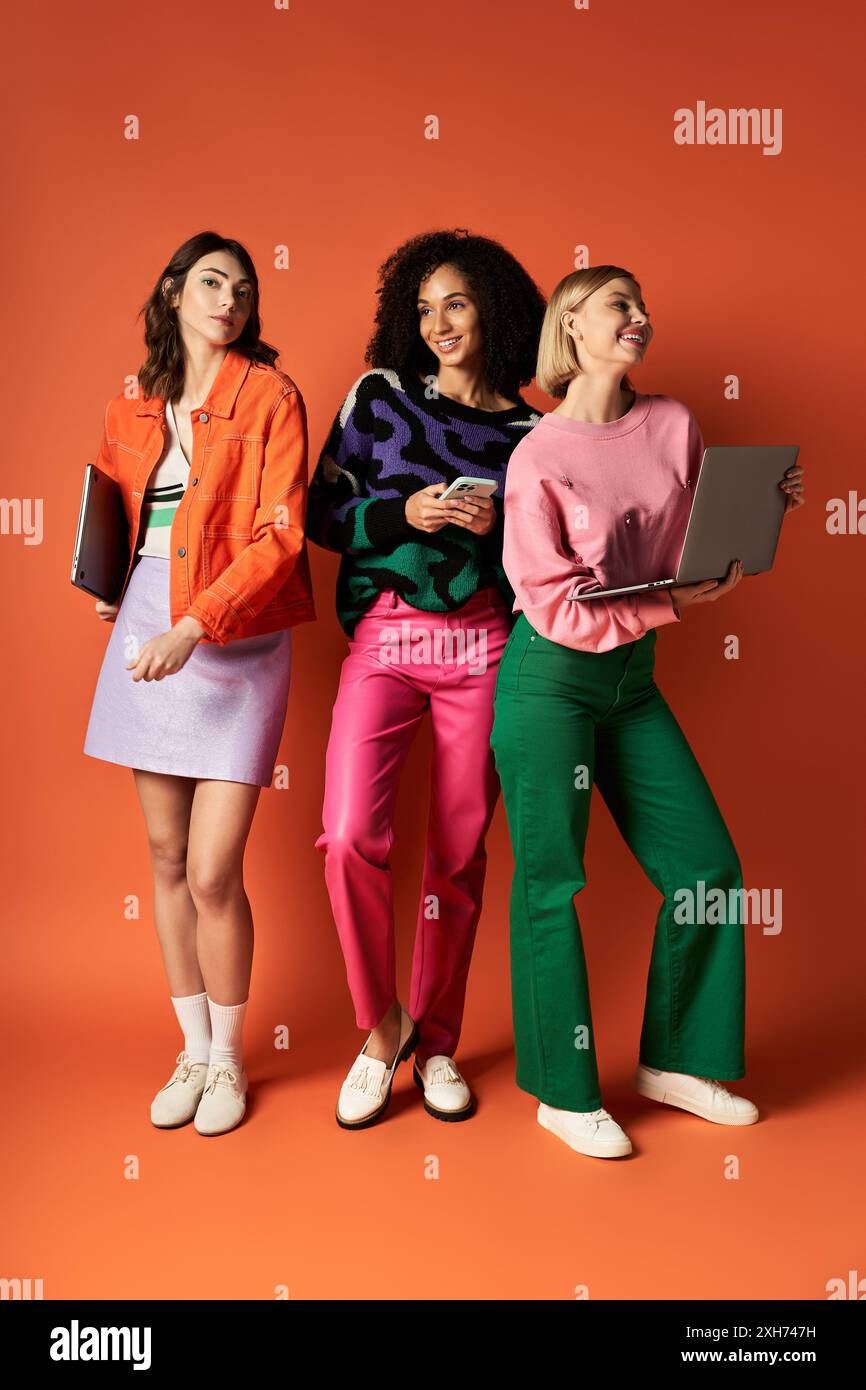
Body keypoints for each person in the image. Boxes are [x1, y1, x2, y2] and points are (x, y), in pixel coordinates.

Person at [489, 264, 805, 1159]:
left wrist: (755, 515)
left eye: (641, 304)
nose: (640, 317)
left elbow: (690, 543)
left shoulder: (673, 424)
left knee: (707, 867)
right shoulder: (539, 456)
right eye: (618, 305)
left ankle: (678, 1061)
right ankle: (564, 1092)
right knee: (553, 882)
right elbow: (551, 602)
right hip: (550, 680)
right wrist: (678, 603)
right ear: (574, 328)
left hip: (632, 683)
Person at [305, 228, 546, 1127]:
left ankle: (438, 1043)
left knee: (457, 855)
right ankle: (382, 1032)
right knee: (345, 837)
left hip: (483, 644)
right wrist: (400, 511)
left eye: (456, 302)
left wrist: (495, 533)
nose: (438, 323)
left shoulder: (532, 432)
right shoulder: (380, 398)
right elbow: (319, 513)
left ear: (495, 308)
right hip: (389, 637)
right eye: (423, 307)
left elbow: (547, 563)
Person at [83, 230, 315, 1137]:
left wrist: (195, 624)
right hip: (149, 626)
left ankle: (228, 1061)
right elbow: (117, 510)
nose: (230, 299)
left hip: (232, 633)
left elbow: (283, 533)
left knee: (217, 869)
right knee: (168, 860)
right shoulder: (132, 400)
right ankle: (188, 1049)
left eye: (245, 289)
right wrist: (112, 590)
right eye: (213, 282)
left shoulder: (271, 396)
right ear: (175, 291)